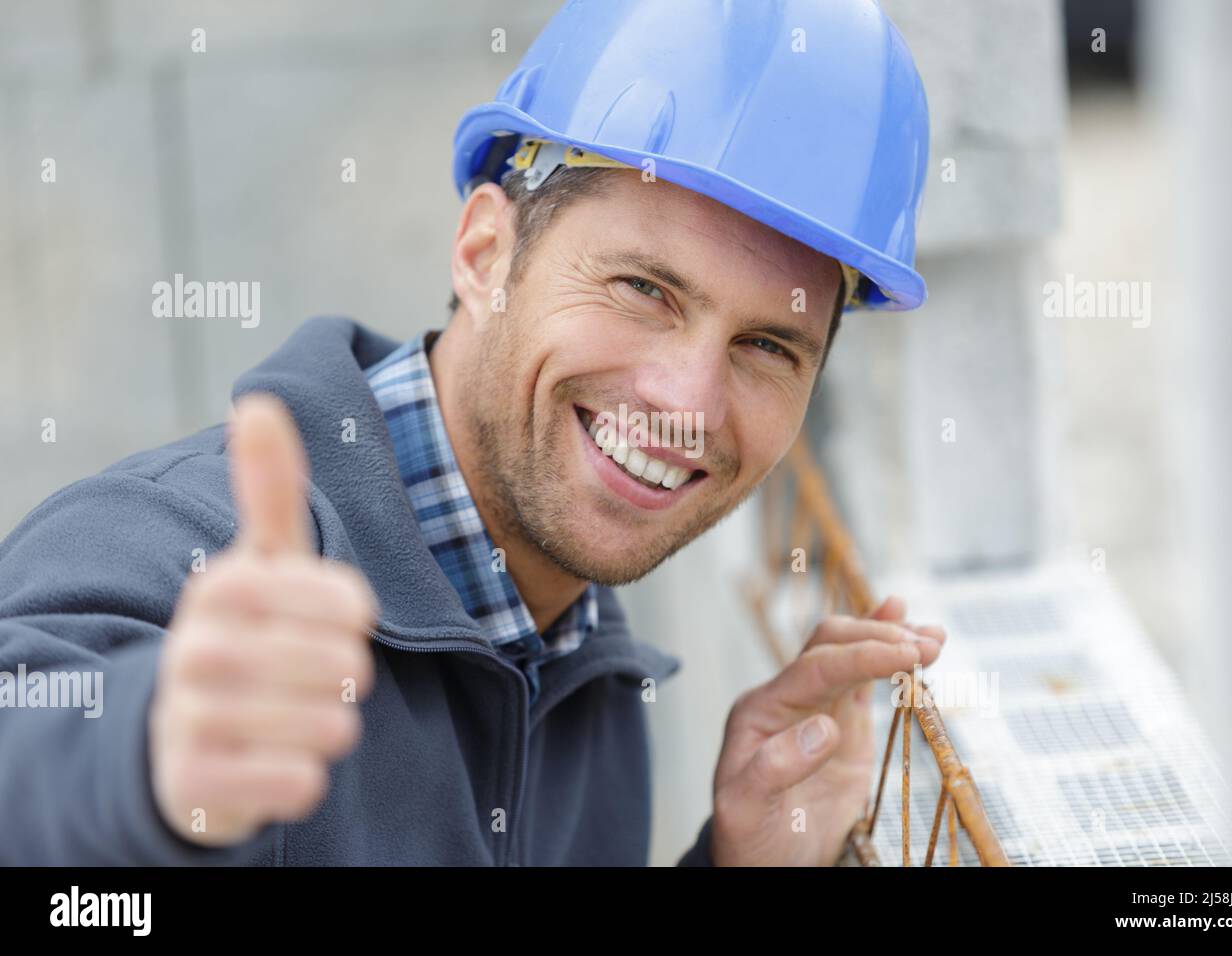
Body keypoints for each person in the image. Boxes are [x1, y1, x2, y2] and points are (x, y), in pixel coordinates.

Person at [0, 0, 945, 865]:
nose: (687, 399)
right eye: (644, 289)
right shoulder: (181, 552)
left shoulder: (589, 681)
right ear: (484, 254)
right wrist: (142, 762)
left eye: (768, 346)